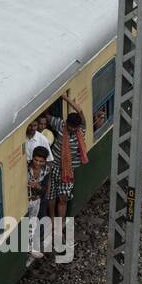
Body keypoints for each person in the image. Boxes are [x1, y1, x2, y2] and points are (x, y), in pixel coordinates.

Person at [44, 93, 87, 225]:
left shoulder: (81, 130)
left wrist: (65, 97)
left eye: (74, 128)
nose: (72, 129)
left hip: (67, 171)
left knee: (63, 198)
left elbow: (79, 111)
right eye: (71, 127)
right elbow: (47, 116)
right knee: (51, 195)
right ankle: (51, 219)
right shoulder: (61, 125)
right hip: (54, 167)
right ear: (67, 123)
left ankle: (60, 222)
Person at [26, 145, 49, 262]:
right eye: (36, 160)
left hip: (36, 201)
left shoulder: (46, 171)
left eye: (41, 161)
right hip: (24, 201)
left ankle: (29, 250)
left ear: (45, 161)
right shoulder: (24, 167)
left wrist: (37, 186)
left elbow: (45, 189)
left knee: (32, 225)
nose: (38, 163)